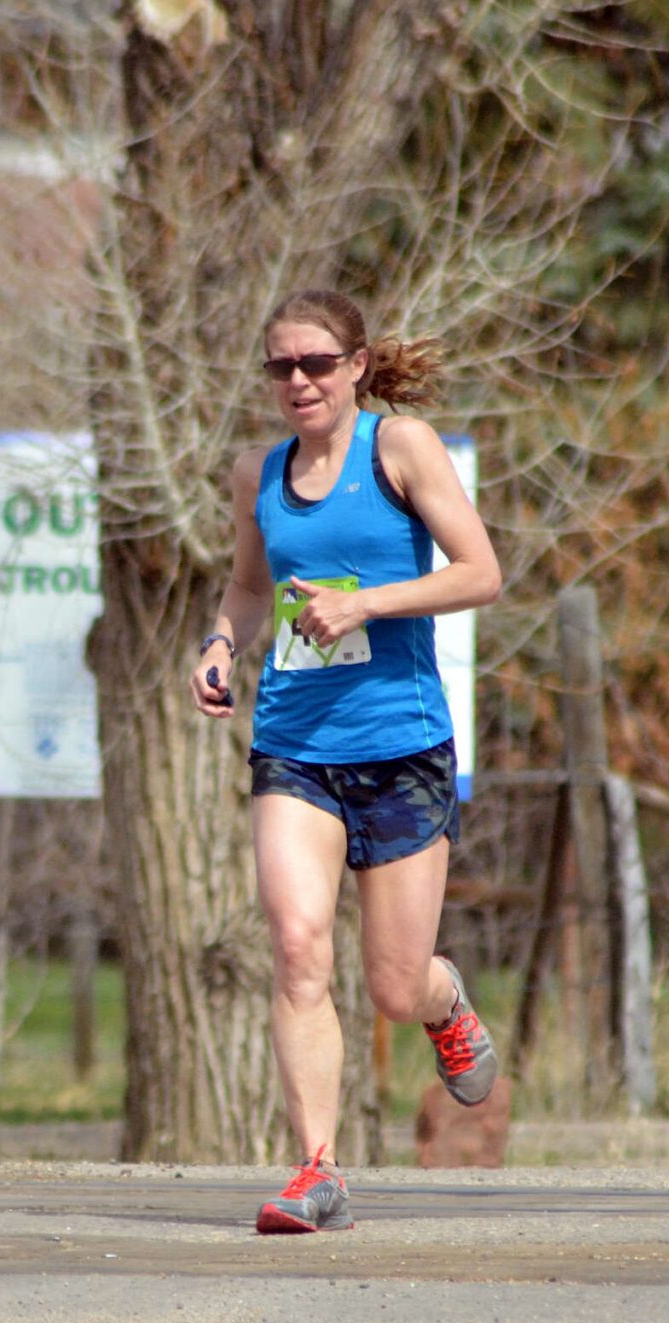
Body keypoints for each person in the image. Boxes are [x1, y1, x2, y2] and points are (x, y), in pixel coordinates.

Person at [187, 289, 504, 1234]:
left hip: (401, 746)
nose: (299, 381)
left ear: (357, 366)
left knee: (394, 987)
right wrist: (220, 645)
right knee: (296, 948)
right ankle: (316, 1169)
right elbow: (249, 587)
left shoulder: (400, 448)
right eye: (281, 366)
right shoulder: (258, 473)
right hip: (294, 745)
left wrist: (365, 603)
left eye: (318, 363)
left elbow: (481, 572)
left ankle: (445, 1005)